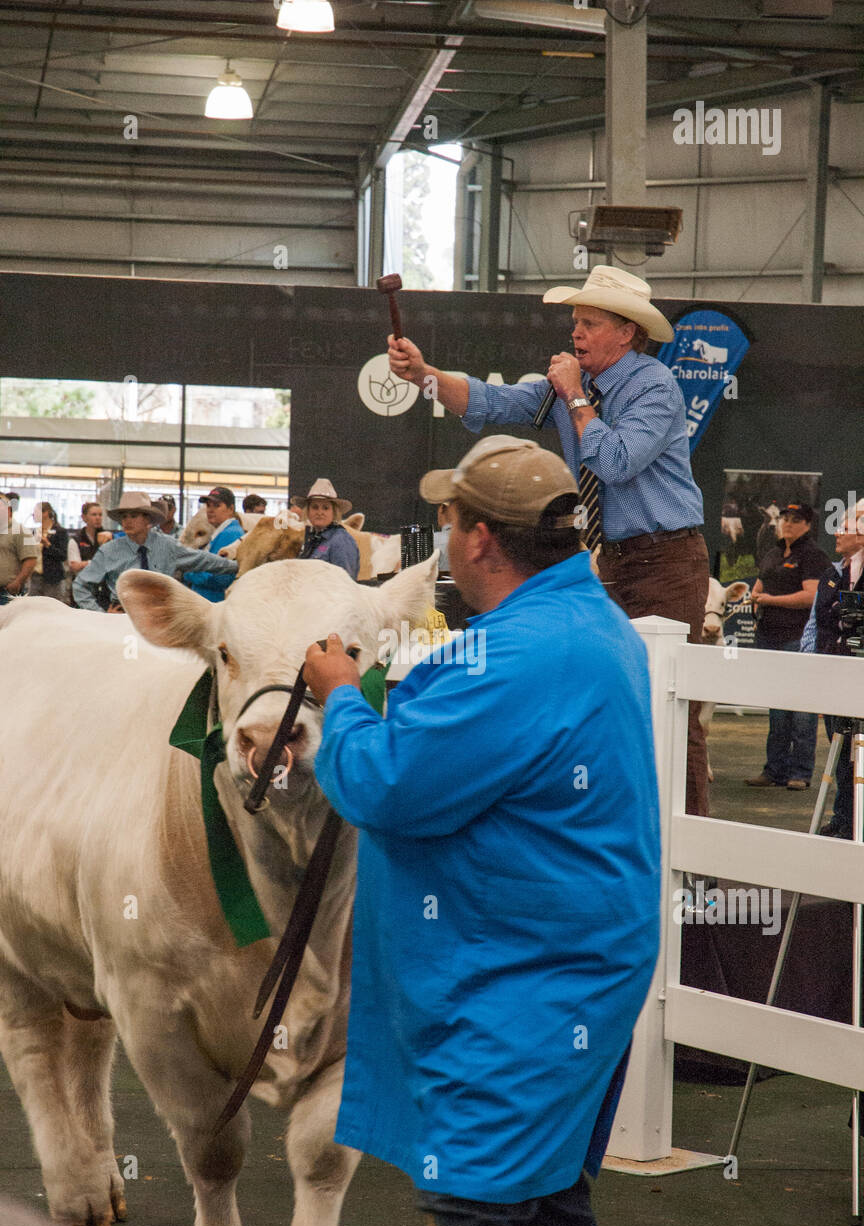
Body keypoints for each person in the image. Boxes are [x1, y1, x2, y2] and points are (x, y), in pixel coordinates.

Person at [304, 435, 660, 1226]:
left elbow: (384, 785)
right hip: (562, 960)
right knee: (545, 1193)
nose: (445, 535)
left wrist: (341, 697)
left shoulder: (519, 655)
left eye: (449, 518)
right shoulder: (585, 623)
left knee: (478, 1206)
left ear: (478, 540)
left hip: (518, 979)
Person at [387, 263, 710, 817]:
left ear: (626, 332)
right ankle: (620, 818)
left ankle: (690, 851)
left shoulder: (655, 387)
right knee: (607, 693)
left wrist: (575, 398)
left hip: (667, 561)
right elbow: (492, 401)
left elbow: (613, 462)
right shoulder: (574, 387)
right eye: (575, 322)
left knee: (674, 703)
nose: (575, 333)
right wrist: (424, 376)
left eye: (588, 323)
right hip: (614, 560)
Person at [745, 501, 831, 790]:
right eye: (784, 518)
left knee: (802, 709)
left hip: (797, 639)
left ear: (807, 525)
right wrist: (755, 597)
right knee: (777, 708)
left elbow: (811, 597)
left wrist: (770, 600)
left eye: (795, 519)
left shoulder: (813, 555)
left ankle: (801, 773)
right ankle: (774, 770)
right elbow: (758, 587)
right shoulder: (771, 553)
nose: (788, 524)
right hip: (769, 635)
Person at [800, 504, 864, 837]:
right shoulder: (831, 573)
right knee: (840, 754)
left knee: (859, 755)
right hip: (834, 680)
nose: (837, 532)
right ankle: (844, 818)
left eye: (845, 527)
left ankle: (856, 822)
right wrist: (812, 667)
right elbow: (814, 624)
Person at [72, 491, 237, 612]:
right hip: (123, 616)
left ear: (147, 520)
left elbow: (203, 560)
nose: (127, 521)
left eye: (134, 516)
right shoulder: (109, 551)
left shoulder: (167, 546)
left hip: (161, 616)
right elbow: (80, 586)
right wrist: (100, 616)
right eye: (125, 516)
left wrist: (238, 566)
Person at [183, 486, 245, 604]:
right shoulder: (222, 532)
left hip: (213, 602)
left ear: (231, 509)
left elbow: (221, 578)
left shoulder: (230, 534)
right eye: (208, 505)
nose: (210, 510)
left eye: (217, 506)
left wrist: (188, 572)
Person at [295, 478, 359, 579]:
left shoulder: (341, 540)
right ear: (308, 511)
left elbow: (346, 583)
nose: (320, 512)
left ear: (334, 512)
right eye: (315, 507)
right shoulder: (312, 539)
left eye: (325, 508)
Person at [28, 501, 72, 603]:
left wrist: (48, 545)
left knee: (52, 607)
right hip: (35, 577)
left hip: (53, 578)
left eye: (35, 512)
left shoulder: (60, 532)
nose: (33, 515)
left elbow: (63, 556)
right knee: (33, 607)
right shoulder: (34, 532)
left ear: (45, 513)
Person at [0, 492, 38, 604]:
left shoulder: (21, 531)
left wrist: (18, 582)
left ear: (9, 511)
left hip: (8, 592)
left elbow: (30, 560)